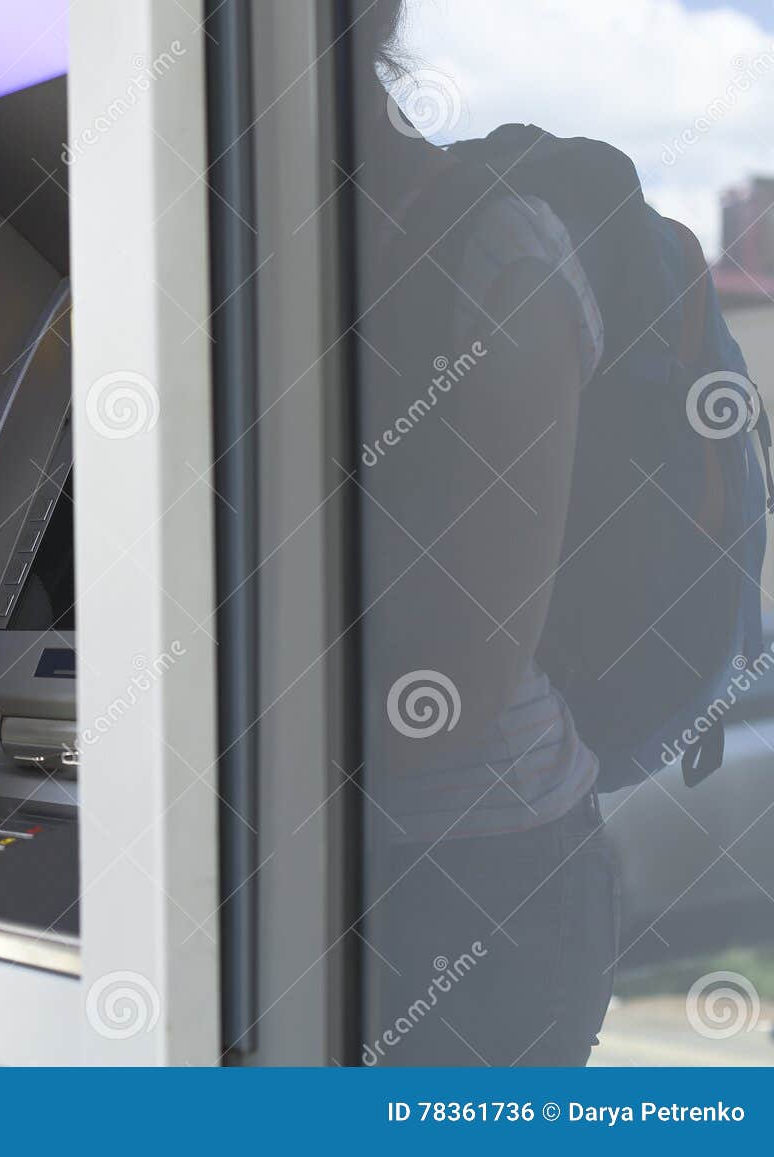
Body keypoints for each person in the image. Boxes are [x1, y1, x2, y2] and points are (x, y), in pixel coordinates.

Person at [350, 0, 620, 1065]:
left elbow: (459, 672)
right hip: (328, 853)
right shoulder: (239, 254)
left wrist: (215, 769)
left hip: (483, 881)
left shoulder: (496, 244)